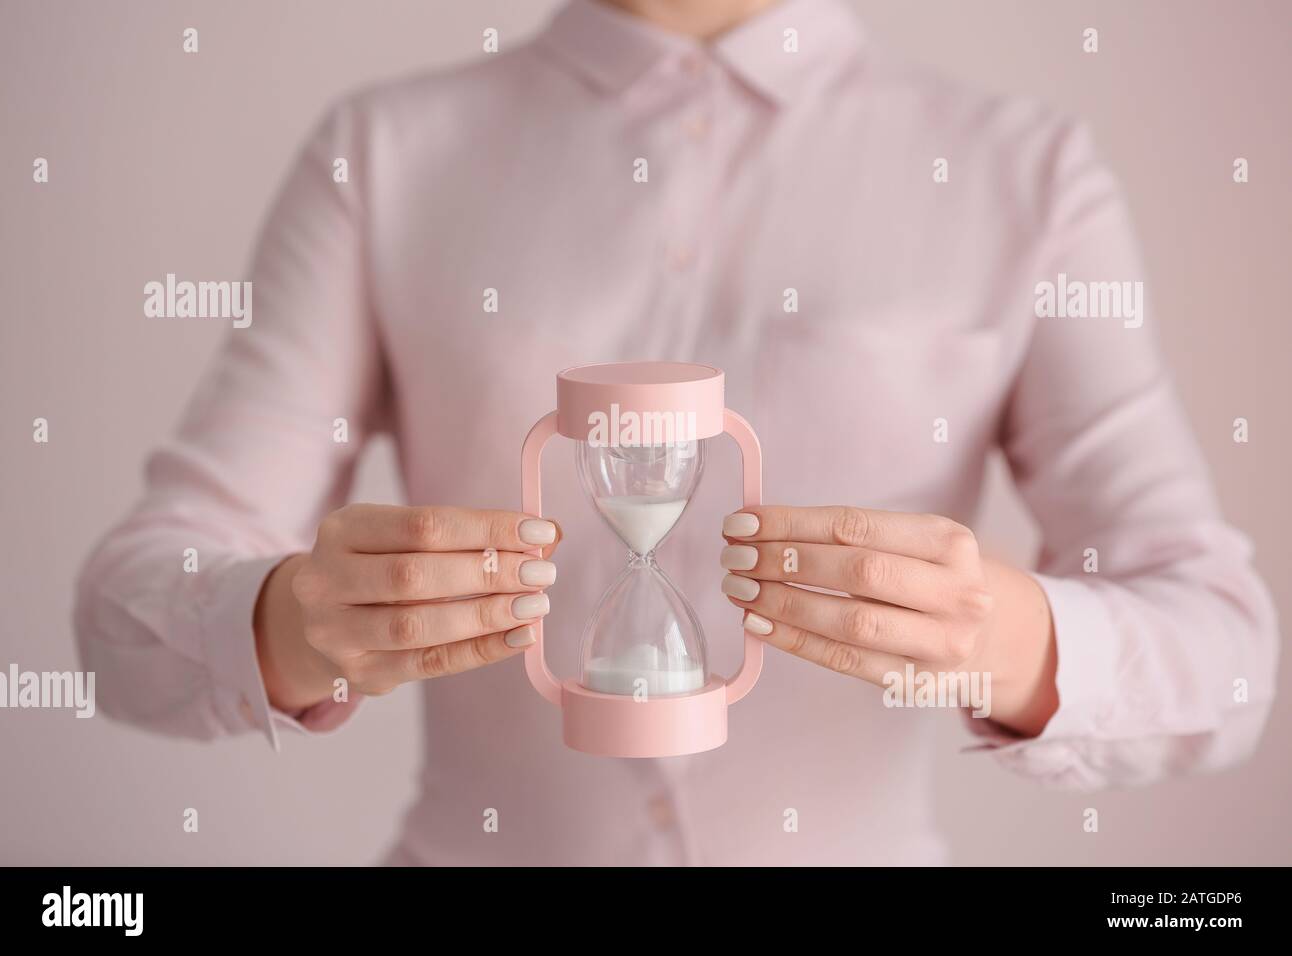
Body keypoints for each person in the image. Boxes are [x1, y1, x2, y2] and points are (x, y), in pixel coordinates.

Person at [74, 0, 1278, 865]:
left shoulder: (1023, 170)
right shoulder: (382, 152)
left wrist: (1012, 639)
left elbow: (1227, 658)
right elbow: (123, 610)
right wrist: (288, 620)